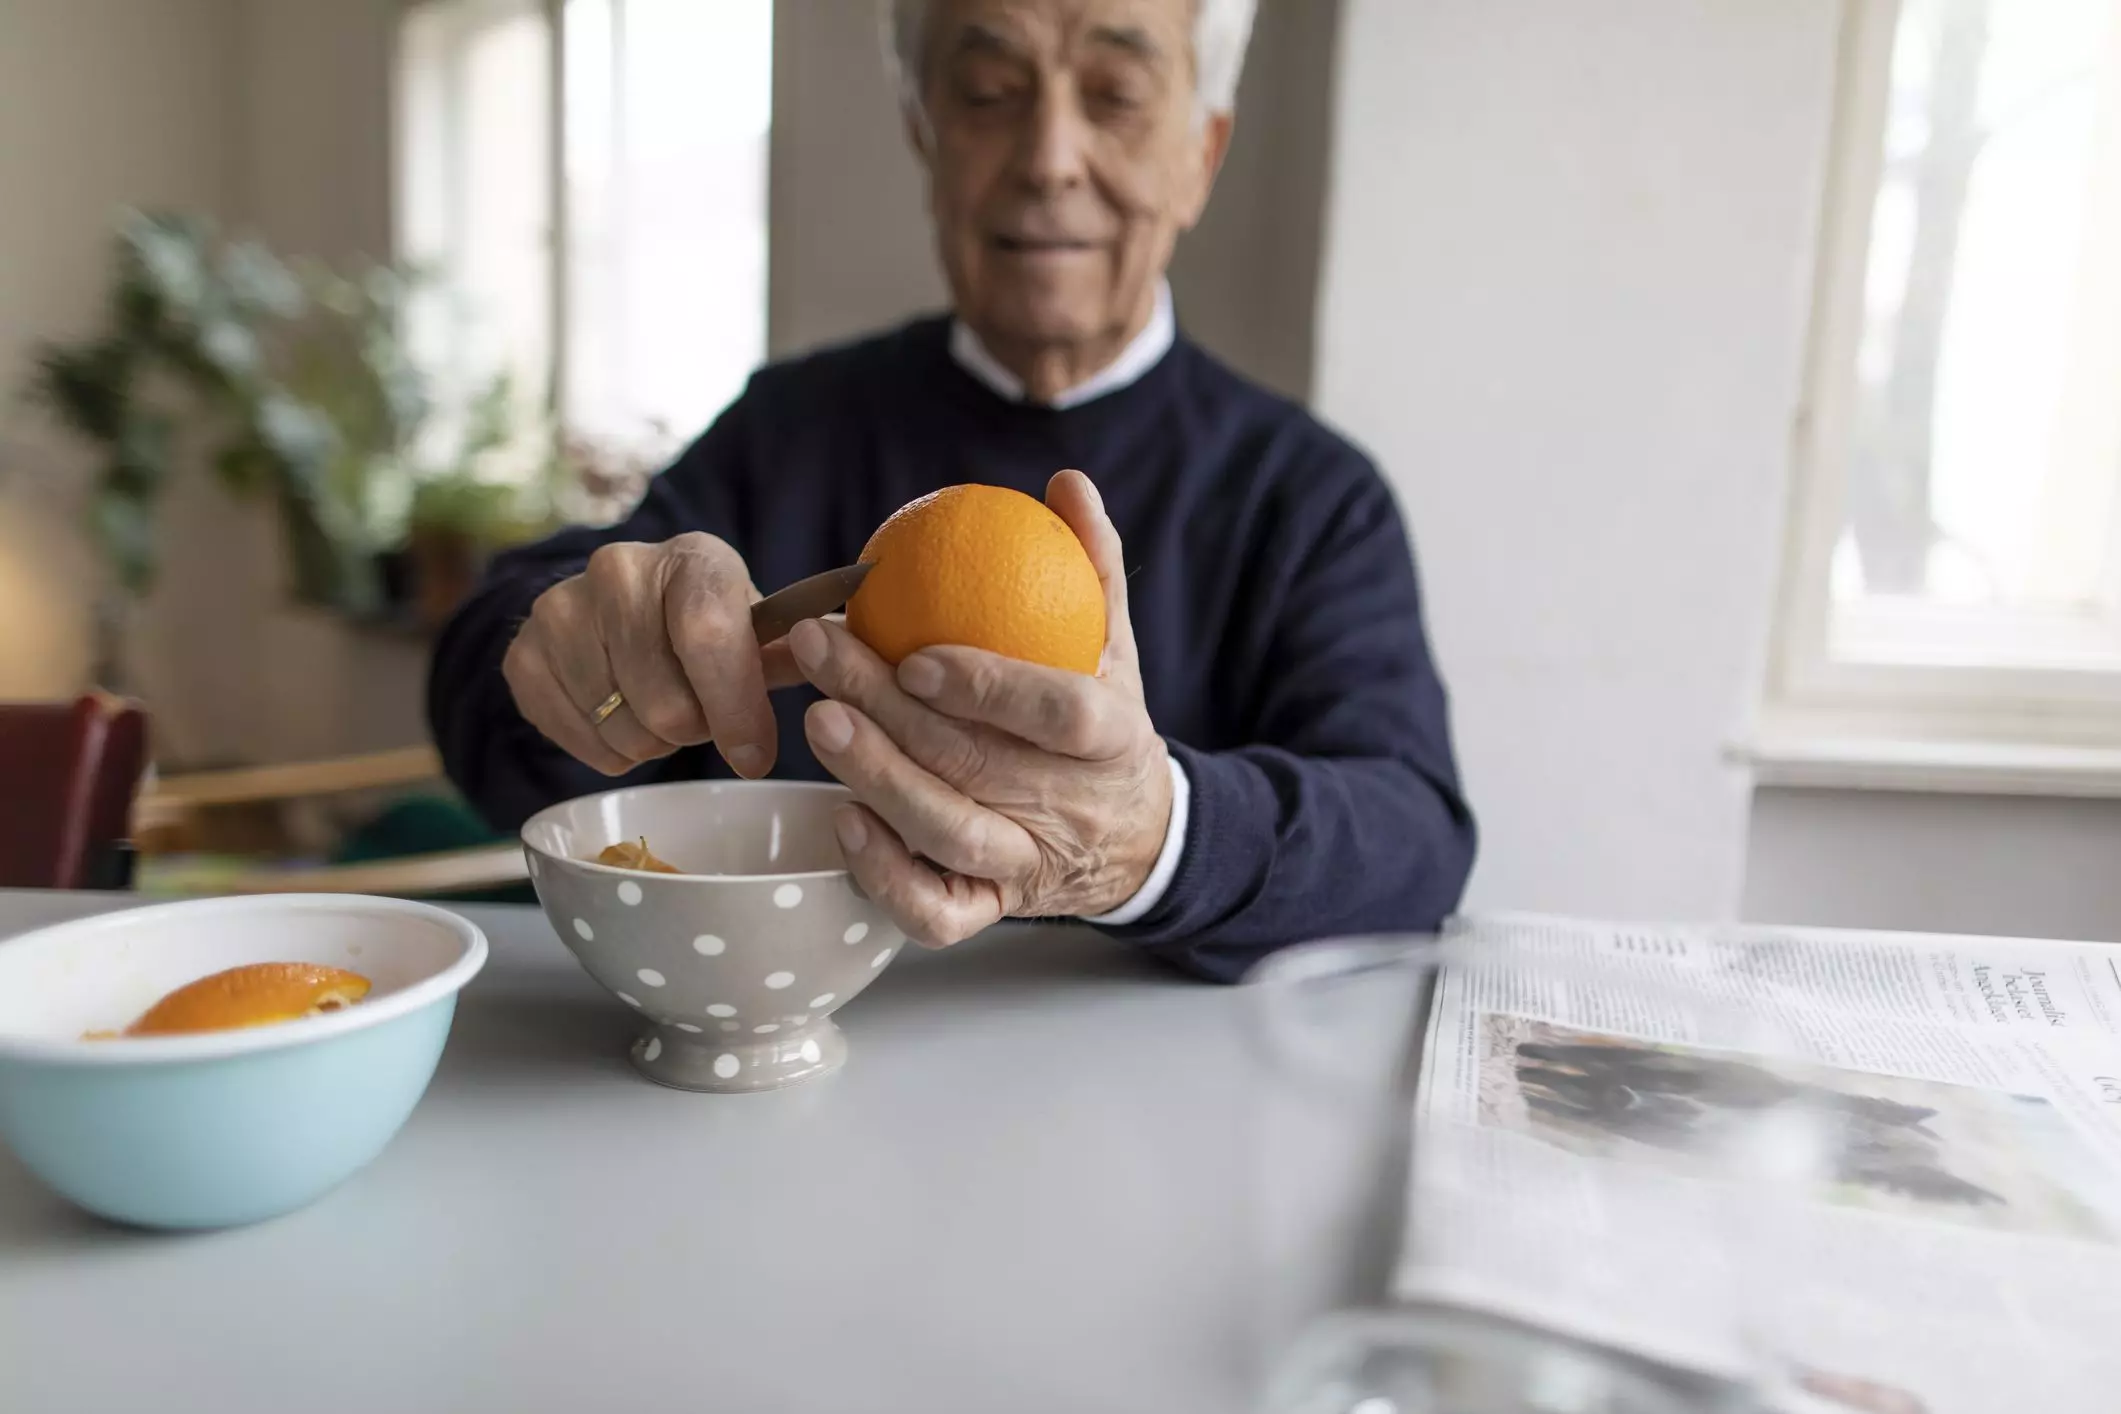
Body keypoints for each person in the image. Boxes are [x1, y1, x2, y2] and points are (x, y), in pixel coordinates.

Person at [429, 0, 1476, 982]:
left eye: (1113, 96)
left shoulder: (1309, 495)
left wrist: (1152, 838)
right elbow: (497, 696)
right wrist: (562, 659)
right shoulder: (789, 431)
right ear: (924, 135)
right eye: (987, 93)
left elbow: (1413, 842)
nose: (1049, 159)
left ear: (1200, 153)